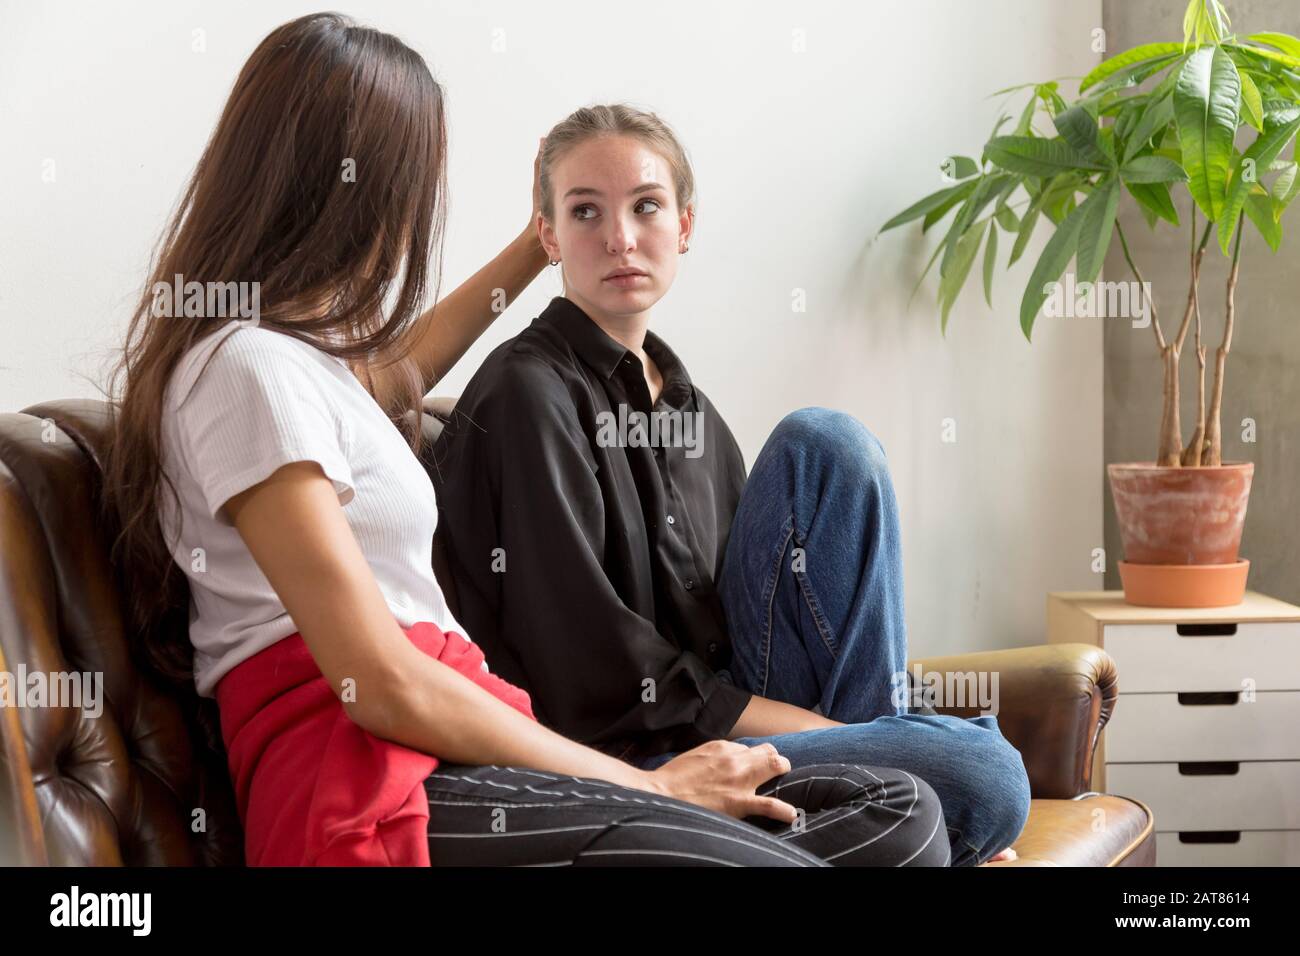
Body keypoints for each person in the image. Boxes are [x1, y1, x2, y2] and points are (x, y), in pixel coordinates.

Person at [101, 13, 950, 867]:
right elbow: (380, 684)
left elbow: (402, 366)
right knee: (899, 814)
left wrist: (542, 238)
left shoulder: (305, 369)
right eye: (412, 177)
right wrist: (649, 786)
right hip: (379, 776)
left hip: (468, 741)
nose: (414, 210)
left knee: (907, 810)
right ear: (347, 185)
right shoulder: (243, 368)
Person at [431, 104, 1031, 867]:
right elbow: (597, 678)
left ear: (684, 225)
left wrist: (863, 735)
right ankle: (911, 798)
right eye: (585, 212)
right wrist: (860, 741)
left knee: (826, 445)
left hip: (730, 720)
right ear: (548, 236)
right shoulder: (526, 393)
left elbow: (751, 622)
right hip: (631, 762)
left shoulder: (694, 414)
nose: (619, 237)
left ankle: (900, 795)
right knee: (988, 769)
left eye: (645, 206)